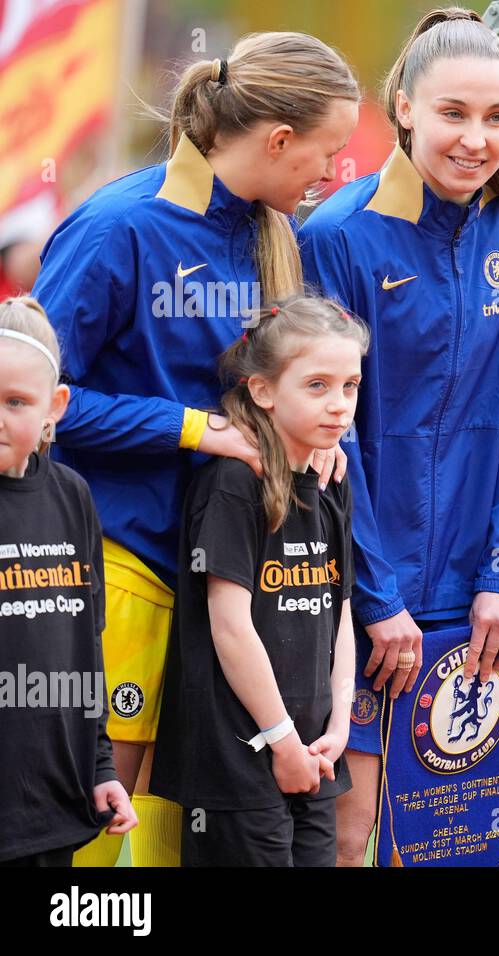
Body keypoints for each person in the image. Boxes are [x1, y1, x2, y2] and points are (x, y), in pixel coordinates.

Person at [31, 33, 359, 867]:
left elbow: (280, 384)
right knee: (101, 822)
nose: (330, 175)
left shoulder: (271, 235)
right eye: (325, 155)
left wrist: (312, 439)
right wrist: (190, 428)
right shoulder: (117, 226)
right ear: (278, 140)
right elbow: (37, 408)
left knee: (188, 827)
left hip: (228, 581)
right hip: (126, 564)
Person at [299, 7, 499, 867]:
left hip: (481, 601)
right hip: (363, 599)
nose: (476, 139)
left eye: (496, 117)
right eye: (454, 114)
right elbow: (336, 437)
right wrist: (377, 597)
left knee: (461, 840)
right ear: (403, 107)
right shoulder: (338, 237)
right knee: (347, 829)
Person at [150, 296, 366, 866]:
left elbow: (341, 616)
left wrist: (338, 725)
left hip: (315, 751)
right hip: (240, 761)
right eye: (317, 385)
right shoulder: (232, 484)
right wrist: (281, 739)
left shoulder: (331, 480)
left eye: (350, 386)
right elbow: (230, 627)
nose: (340, 405)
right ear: (263, 390)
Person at [0, 296, 137, 866]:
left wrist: (101, 765)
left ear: (53, 407)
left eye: (16, 402)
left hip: (56, 800)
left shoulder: (72, 496)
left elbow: (87, 646)